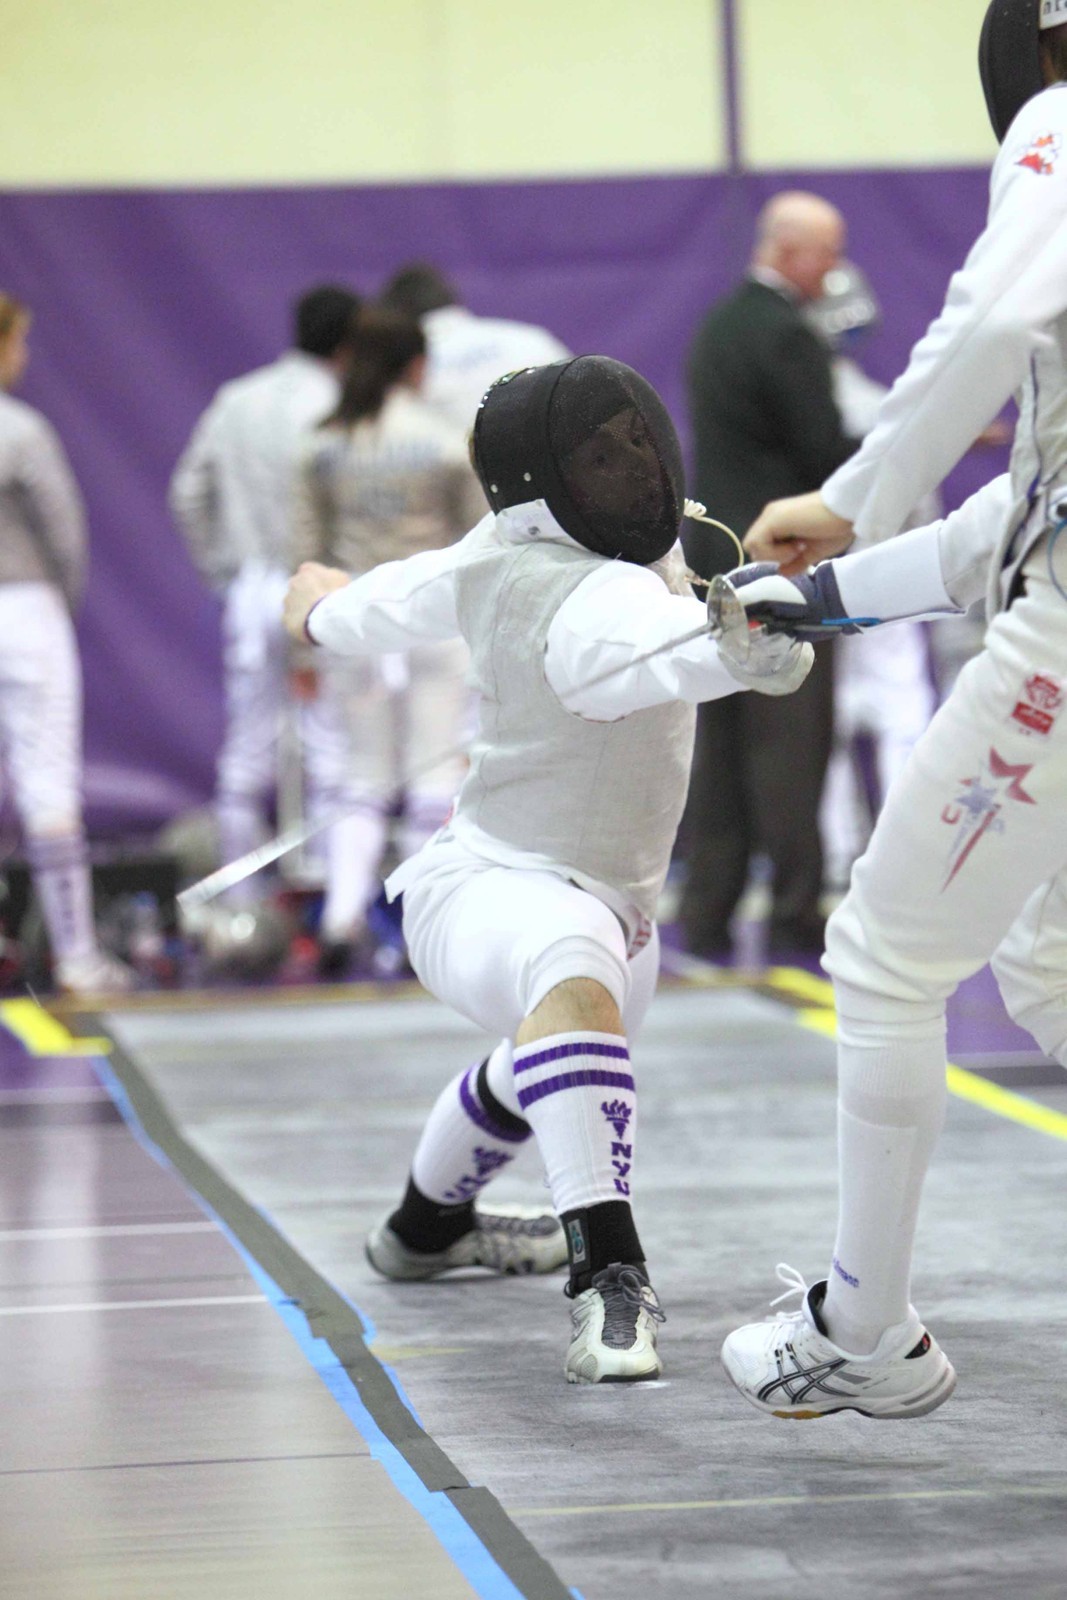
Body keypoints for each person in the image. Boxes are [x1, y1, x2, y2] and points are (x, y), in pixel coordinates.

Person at [284, 356, 813, 1383]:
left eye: (627, 444)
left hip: (604, 906)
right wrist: (746, 643)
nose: (628, 468)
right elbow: (672, 648)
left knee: (555, 1040)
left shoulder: (500, 549)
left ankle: (422, 1229)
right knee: (568, 978)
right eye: (597, 456)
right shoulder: (586, 598)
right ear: (546, 482)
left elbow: (386, 598)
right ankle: (607, 1280)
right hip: (492, 889)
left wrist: (317, 607)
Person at [720, 0, 1067, 1418]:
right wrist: (833, 586)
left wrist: (850, 492)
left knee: (878, 957)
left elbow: (992, 318)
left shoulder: (1056, 119)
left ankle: (859, 1329)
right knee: (1044, 962)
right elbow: (1025, 496)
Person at [680, 193, 857, 958]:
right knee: (789, 741)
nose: (835, 269)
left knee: (717, 743)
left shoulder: (715, 326)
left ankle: (707, 907)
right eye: (826, 253)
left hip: (709, 560)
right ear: (789, 252)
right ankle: (792, 909)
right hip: (780, 562)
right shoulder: (789, 334)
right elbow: (821, 449)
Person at [291, 306, 483, 970]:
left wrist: (302, 646)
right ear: (416, 365)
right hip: (434, 620)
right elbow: (480, 545)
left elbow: (306, 560)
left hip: (354, 622)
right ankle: (424, 930)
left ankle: (343, 919)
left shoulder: (320, 445)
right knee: (435, 775)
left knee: (360, 778)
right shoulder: (445, 440)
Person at [169, 284, 360, 913]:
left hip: (255, 592)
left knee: (247, 747)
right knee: (331, 747)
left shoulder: (237, 399)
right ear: (348, 341)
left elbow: (188, 493)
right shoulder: (344, 405)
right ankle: (339, 903)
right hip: (324, 591)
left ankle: (243, 902)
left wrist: (227, 575)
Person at [0, 293, 132, 994]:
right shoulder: (21, 429)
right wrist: (60, 608)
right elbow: (64, 534)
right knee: (47, 782)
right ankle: (77, 959)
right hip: (24, 611)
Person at [803, 262, 939, 885]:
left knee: (822, 723)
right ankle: (907, 848)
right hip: (886, 584)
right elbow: (922, 507)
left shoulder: (801, 412)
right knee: (902, 716)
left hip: (818, 587)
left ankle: (833, 852)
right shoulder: (882, 409)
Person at [378, 262, 570, 434]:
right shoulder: (532, 338)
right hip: (548, 463)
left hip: (458, 468)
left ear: (393, 319)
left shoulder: (404, 366)